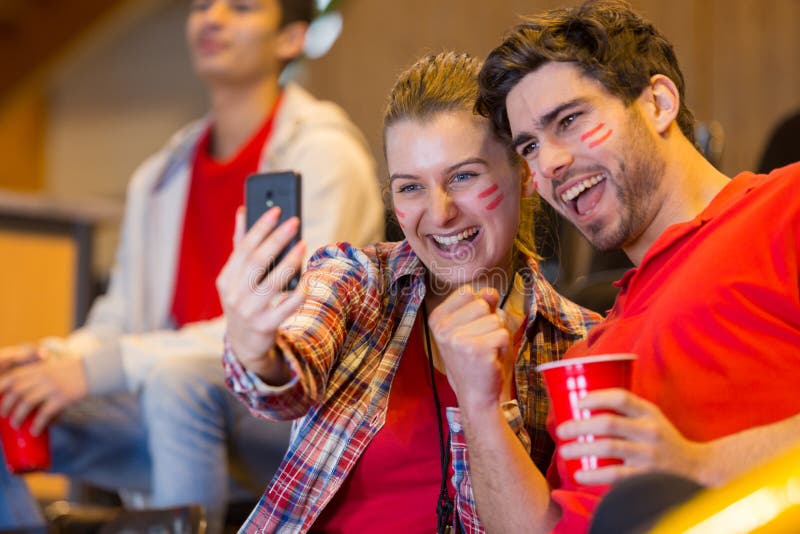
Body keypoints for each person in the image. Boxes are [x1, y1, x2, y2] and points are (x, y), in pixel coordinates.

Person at [0, 1, 383, 532]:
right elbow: (119, 319)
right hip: (169, 408)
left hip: (290, 413)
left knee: (175, 382)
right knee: (11, 398)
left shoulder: (326, 157)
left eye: (241, 7)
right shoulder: (160, 175)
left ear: (291, 38)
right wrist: (52, 359)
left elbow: (292, 326)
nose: (213, 18)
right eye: (202, 4)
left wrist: (99, 370)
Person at [443, 0, 800, 531]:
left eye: (569, 120)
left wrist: (701, 465)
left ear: (658, 103)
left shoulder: (786, 206)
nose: (549, 163)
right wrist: (479, 406)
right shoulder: (593, 350)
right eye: (530, 147)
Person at [216, 51, 600, 533]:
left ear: (525, 173)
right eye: (411, 187)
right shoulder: (357, 280)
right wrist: (257, 351)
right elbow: (287, 383)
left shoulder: (577, 342)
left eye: (463, 176)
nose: (439, 214)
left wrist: (485, 403)